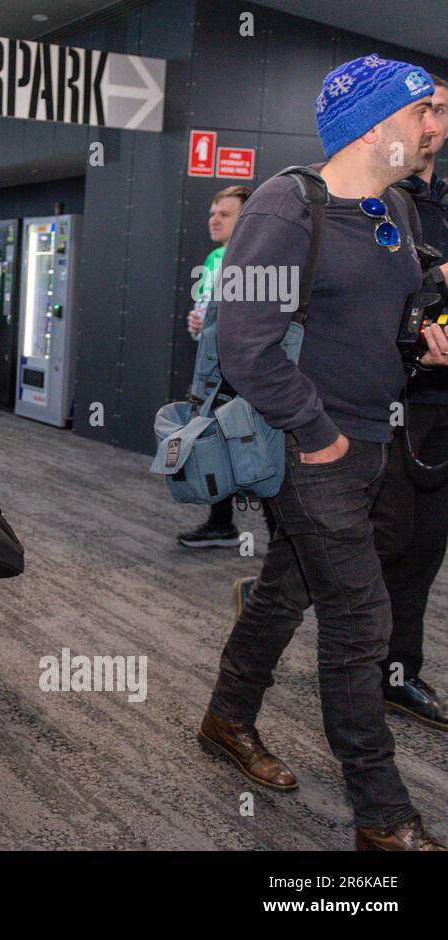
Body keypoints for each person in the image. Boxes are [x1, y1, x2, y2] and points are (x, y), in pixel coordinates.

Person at [200, 56, 445, 851]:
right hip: (315, 450)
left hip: (378, 438)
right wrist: (317, 431)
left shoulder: (399, 210)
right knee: (361, 624)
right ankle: (383, 816)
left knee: (283, 592)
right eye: (421, 114)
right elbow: (243, 343)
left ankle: (225, 718)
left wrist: (425, 333)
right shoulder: (283, 205)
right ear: (376, 125)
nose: (435, 127)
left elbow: (388, 317)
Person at [370, 72, 448, 731]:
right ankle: (283, 592)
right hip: (382, 400)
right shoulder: (376, 199)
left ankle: (397, 671)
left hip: (440, 401)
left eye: (442, 112)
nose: (433, 123)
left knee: (424, 545)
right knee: (383, 539)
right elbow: (372, 296)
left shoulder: (444, 203)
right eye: (424, 109)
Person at [179, 185, 252, 548]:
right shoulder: (212, 260)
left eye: (225, 213)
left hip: (244, 378)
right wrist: (196, 328)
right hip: (213, 375)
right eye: (212, 213)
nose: (214, 219)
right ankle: (221, 523)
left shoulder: (256, 261)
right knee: (214, 448)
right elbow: (206, 319)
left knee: (248, 453)